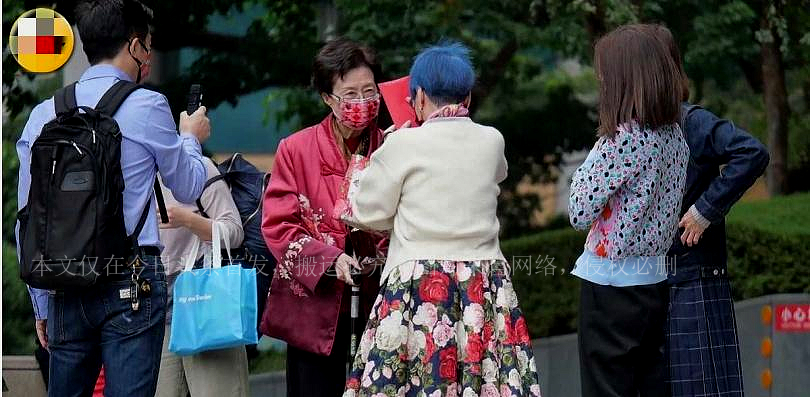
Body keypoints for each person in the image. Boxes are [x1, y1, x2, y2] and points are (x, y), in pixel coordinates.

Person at [16, 1, 210, 395]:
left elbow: (27, 215)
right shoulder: (148, 105)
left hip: (64, 283)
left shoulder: (42, 115)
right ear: (134, 46)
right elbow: (189, 187)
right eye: (149, 46)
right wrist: (190, 137)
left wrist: (41, 302)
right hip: (132, 282)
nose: (150, 56)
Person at [339, 41, 543, 397]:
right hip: (484, 282)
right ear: (466, 98)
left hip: (418, 282)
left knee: (412, 382)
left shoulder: (402, 145)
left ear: (418, 97)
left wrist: (384, 153)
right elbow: (497, 174)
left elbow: (364, 212)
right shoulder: (492, 140)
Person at [260, 37, 387, 397]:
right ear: (327, 98)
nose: (362, 103)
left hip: (381, 307)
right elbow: (279, 225)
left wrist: (378, 251)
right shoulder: (296, 150)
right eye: (350, 94)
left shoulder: (394, 147)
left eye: (369, 91)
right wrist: (330, 261)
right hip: (313, 312)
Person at [647, 24, 770, 397]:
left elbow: (751, 152)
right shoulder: (639, 132)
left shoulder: (691, 121)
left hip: (696, 282)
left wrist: (706, 209)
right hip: (654, 284)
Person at [567, 24, 689, 396]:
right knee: (648, 385)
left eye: (605, 76)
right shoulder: (675, 137)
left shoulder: (623, 139)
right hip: (652, 282)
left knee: (606, 387)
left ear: (622, 79)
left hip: (610, 286)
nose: (602, 83)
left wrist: (596, 151)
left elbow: (578, 210)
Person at [155, 157, 249, 397]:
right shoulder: (126, 172)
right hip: (151, 306)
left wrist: (188, 220)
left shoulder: (195, 166)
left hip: (203, 298)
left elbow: (233, 232)